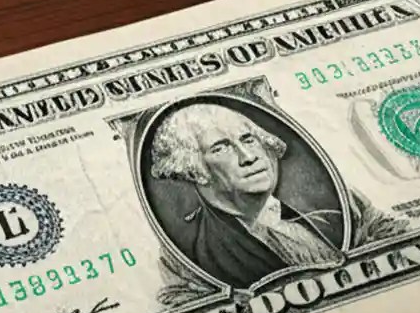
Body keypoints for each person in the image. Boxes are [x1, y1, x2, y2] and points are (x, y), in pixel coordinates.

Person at [149, 103, 347, 288]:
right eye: (221, 148)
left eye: (248, 140)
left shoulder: (333, 217)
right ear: (193, 168)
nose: (249, 157)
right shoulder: (200, 258)